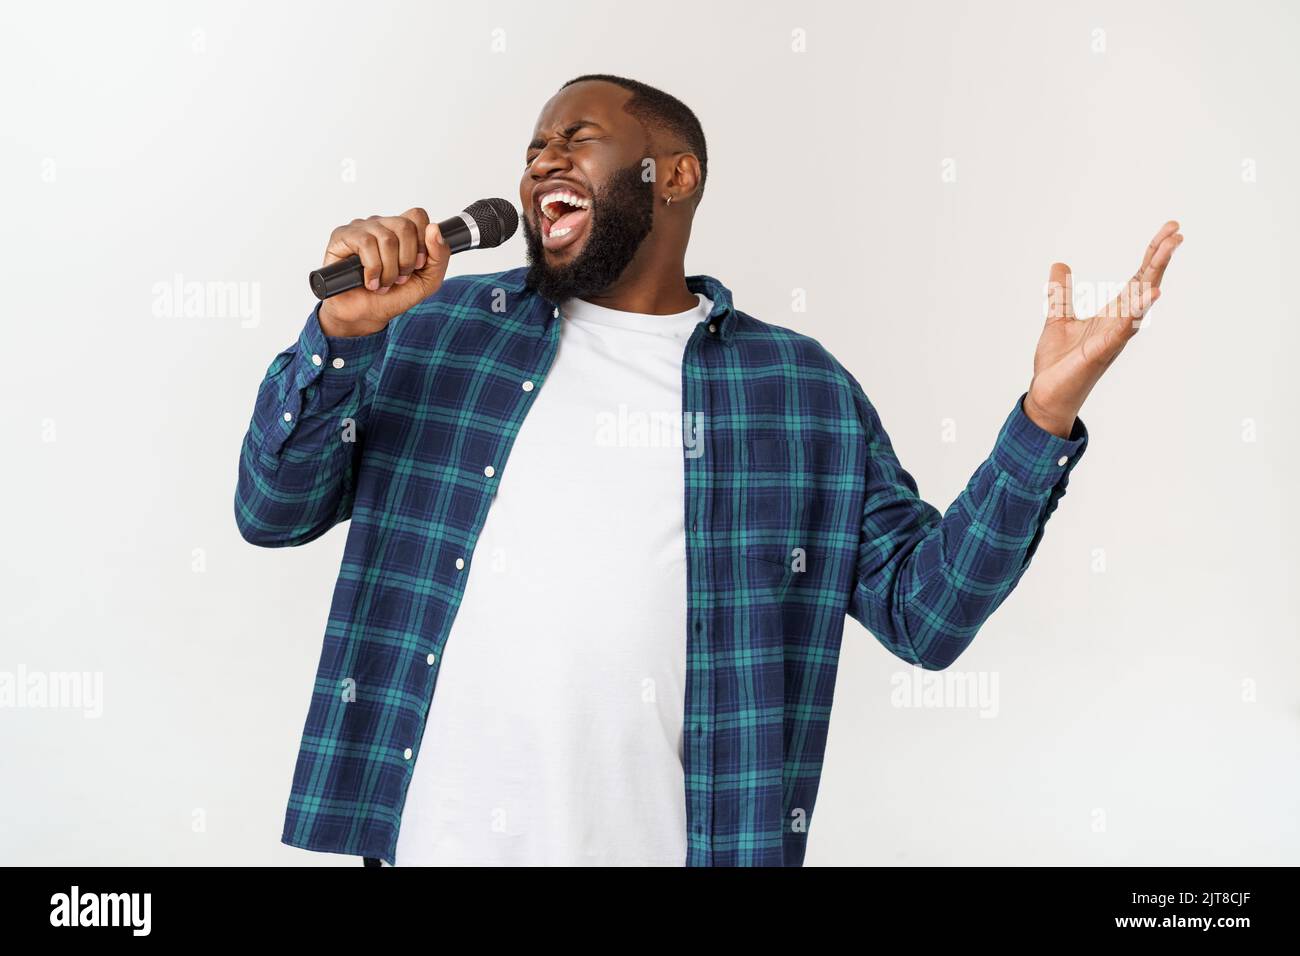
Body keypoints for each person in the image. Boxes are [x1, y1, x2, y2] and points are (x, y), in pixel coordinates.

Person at [234, 74, 1182, 866]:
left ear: (675, 175)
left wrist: (1044, 416)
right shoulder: (436, 331)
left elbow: (924, 616)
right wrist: (337, 338)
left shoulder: (797, 390)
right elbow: (272, 510)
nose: (543, 159)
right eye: (533, 146)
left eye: (579, 136)